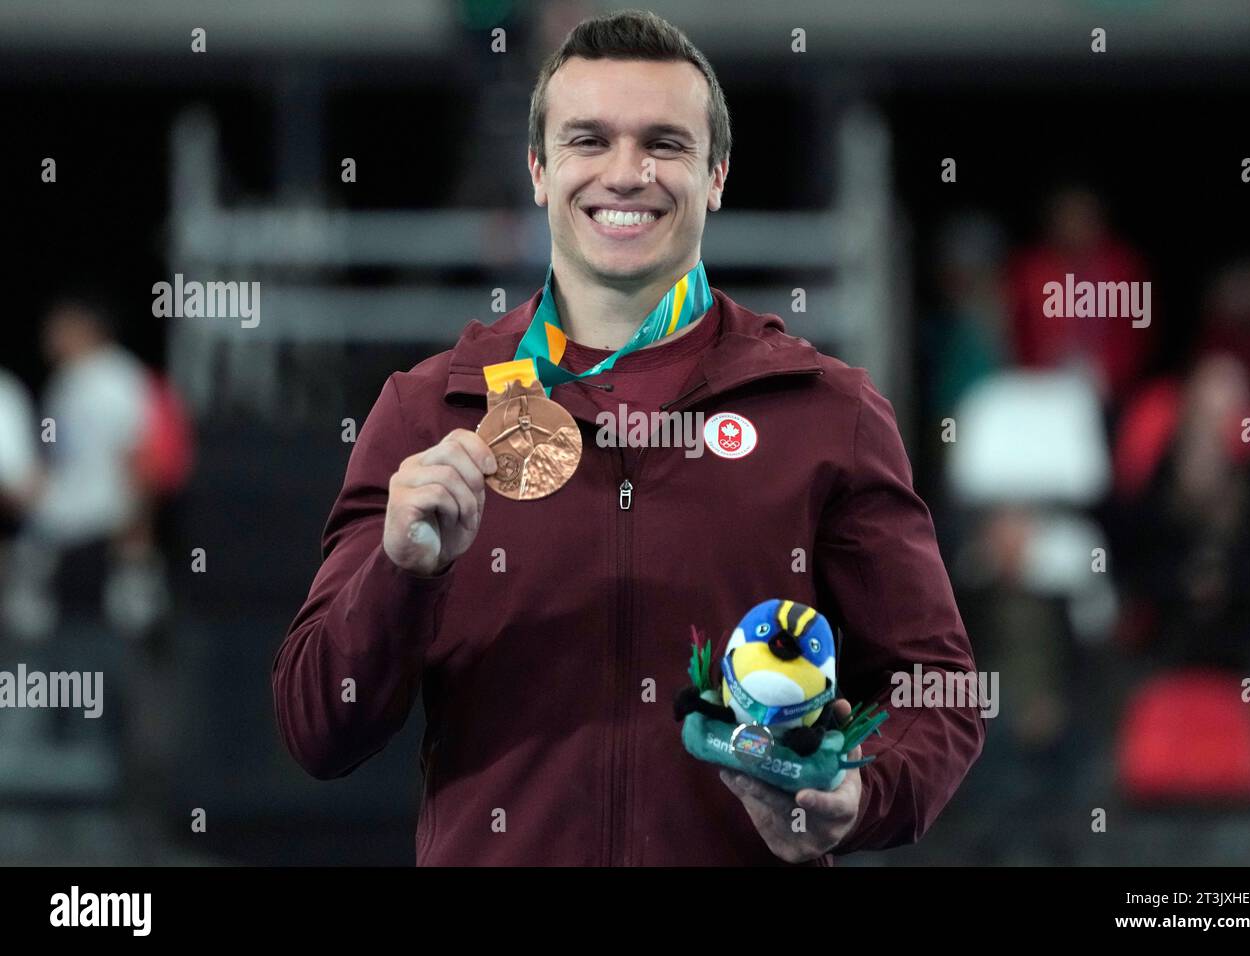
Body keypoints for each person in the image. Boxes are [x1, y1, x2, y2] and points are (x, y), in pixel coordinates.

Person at [273, 9, 984, 866]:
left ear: (716, 174)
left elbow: (936, 689)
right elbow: (317, 729)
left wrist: (863, 794)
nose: (626, 173)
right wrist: (400, 573)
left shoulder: (825, 410)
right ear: (538, 169)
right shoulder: (432, 411)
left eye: (665, 144)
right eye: (588, 141)